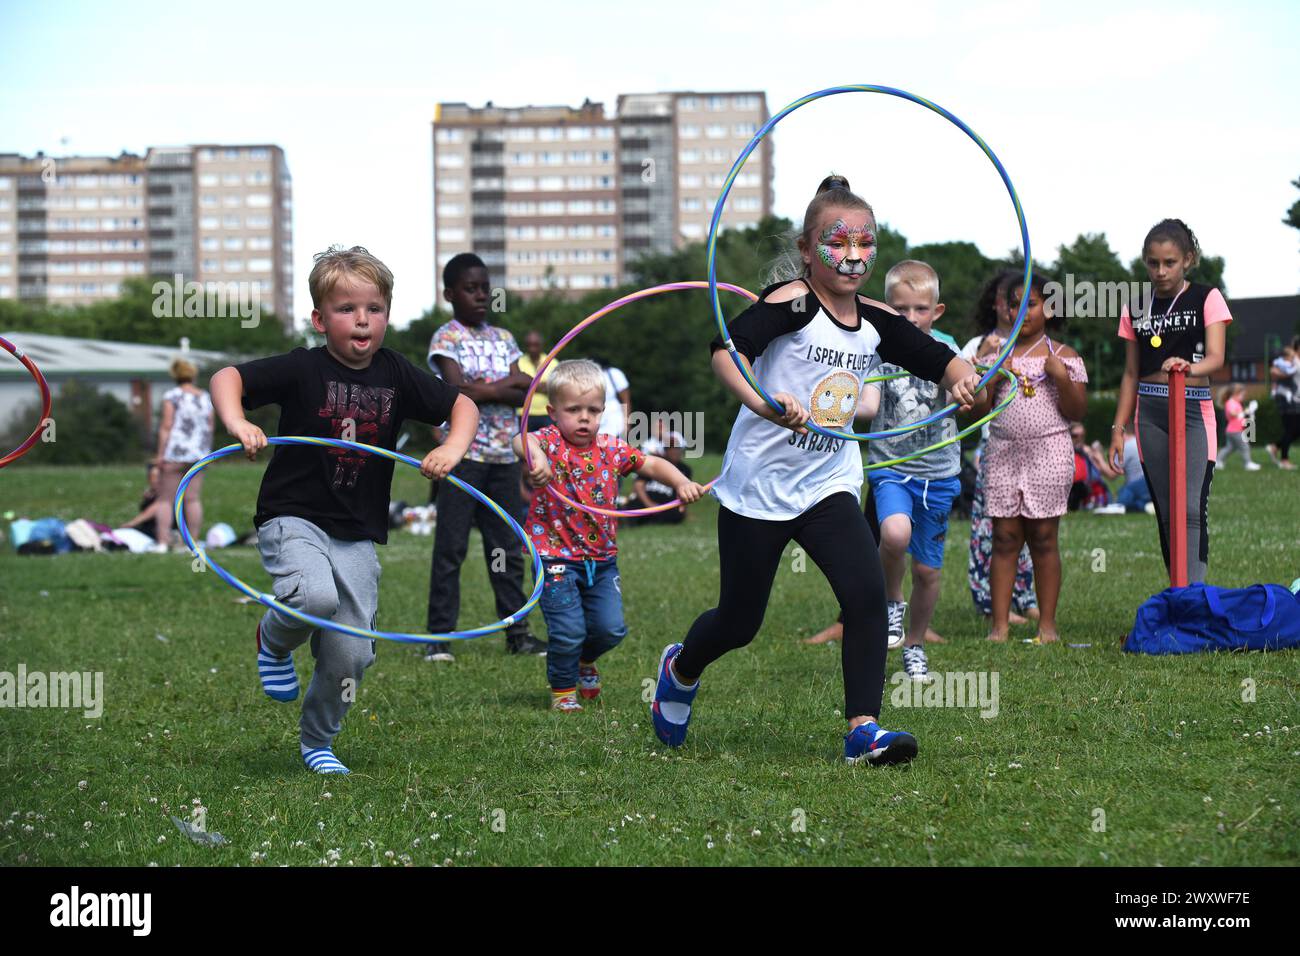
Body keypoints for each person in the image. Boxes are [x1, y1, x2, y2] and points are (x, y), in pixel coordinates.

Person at [649, 175, 982, 765]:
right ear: (807, 250)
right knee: (739, 621)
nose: (853, 256)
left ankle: (863, 731)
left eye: (865, 243)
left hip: (828, 483)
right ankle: (681, 668)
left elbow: (937, 356)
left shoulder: (876, 318)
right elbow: (727, 352)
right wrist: (764, 403)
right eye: (838, 242)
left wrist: (961, 375)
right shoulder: (793, 303)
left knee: (866, 597)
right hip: (760, 484)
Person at [209, 245, 478, 775]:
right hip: (293, 516)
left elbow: (461, 405)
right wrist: (238, 422)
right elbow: (227, 378)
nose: (362, 319)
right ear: (319, 319)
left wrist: (451, 448)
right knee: (313, 597)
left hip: (356, 530)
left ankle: (317, 741)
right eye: (346, 308)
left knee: (351, 655)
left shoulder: (396, 373)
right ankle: (273, 639)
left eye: (374, 309)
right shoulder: (302, 367)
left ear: (386, 315)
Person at [514, 359, 703, 712]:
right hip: (555, 558)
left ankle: (585, 659)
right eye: (574, 410)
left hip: (602, 559)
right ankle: (563, 691)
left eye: (593, 410)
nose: (584, 418)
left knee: (611, 629)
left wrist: (680, 481)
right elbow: (521, 439)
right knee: (568, 629)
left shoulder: (612, 448)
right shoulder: (549, 442)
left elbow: (651, 464)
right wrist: (536, 458)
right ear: (553, 413)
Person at [804, 261, 959, 681]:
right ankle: (892, 600)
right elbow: (869, 405)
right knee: (893, 534)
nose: (910, 318)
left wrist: (969, 388)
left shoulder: (947, 349)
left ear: (937, 311)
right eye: (900, 309)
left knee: (927, 571)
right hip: (893, 468)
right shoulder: (876, 349)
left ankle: (915, 644)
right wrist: (832, 407)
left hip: (940, 472)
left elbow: (958, 400)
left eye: (920, 309)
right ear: (885, 308)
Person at [423, 253, 547, 663]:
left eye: (485, 289)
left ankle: (518, 634)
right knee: (451, 548)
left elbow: (524, 391)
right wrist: (503, 385)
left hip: (504, 458)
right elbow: (455, 391)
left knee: (506, 547)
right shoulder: (446, 338)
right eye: (470, 289)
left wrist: (485, 388)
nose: (480, 296)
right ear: (450, 294)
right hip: (463, 457)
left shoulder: (504, 338)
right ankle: (439, 637)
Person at [1107, 219, 1230, 585]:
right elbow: (1131, 373)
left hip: (1193, 410)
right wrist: (1118, 429)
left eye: (1170, 262)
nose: (1160, 271)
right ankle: (1178, 589)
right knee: (1165, 510)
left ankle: (1194, 590)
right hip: (1151, 413)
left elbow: (1216, 357)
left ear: (1188, 259)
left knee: (1190, 507)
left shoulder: (1207, 297)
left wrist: (1189, 368)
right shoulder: (1135, 306)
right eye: (1153, 263)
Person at [969, 273, 1088, 643]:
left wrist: (1061, 378)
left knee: (1043, 537)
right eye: (1013, 304)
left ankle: (1047, 625)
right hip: (1003, 453)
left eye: (1030, 304)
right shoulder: (994, 358)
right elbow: (977, 413)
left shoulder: (1064, 356)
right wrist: (990, 379)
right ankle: (1000, 626)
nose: (1020, 311)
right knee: (1004, 537)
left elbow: (1077, 411)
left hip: (1049, 454)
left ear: (1049, 309)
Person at [962, 271, 1039, 625]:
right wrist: (984, 358)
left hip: (1034, 452)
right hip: (994, 449)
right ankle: (991, 601)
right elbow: (968, 397)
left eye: (1022, 302)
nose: (1013, 308)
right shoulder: (977, 344)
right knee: (991, 529)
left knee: (1032, 529)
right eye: (1007, 300)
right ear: (995, 304)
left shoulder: (1036, 345)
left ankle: (1026, 597)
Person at [151, 358, 214, 552]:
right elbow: (210, 426)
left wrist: (160, 455)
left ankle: (162, 543)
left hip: (175, 453)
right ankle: (191, 544)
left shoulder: (172, 396)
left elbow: (166, 426)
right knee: (192, 499)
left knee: (165, 499)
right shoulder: (205, 397)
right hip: (198, 454)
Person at [626, 429, 693, 524]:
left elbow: (685, 493)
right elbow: (638, 485)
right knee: (634, 508)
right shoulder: (656, 464)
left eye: (677, 448)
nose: (674, 451)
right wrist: (649, 504)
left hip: (667, 507)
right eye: (670, 448)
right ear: (664, 450)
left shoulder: (685, 469)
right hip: (645, 503)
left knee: (676, 514)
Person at [1265, 341, 1299, 469]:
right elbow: (1273, 370)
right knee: (1291, 429)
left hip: (1295, 399)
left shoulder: (1294, 361)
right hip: (1287, 399)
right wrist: (1285, 374)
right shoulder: (1289, 360)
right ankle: (1284, 460)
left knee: (1295, 430)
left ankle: (1275, 447)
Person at [1216, 384, 1260, 470]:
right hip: (1235, 431)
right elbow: (1232, 413)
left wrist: (1249, 412)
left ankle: (1218, 461)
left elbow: (1240, 416)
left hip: (1234, 430)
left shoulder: (1236, 403)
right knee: (1245, 446)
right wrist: (1245, 412)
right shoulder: (1230, 403)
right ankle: (1248, 463)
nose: (1243, 397)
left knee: (1229, 448)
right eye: (1242, 395)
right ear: (1235, 394)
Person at [1116, 431, 1153, 513]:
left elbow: (1111, 474)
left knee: (1121, 501)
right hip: (1149, 483)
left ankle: (1144, 505)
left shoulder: (1126, 446)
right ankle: (1146, 505)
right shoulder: (1141, 442)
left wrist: (1097, 458)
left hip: (1136, 485)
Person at [597, 364, 631, 440]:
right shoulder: (586, 375)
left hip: (615, 421)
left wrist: (627, 423)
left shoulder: (614, 373)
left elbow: (626, 400)